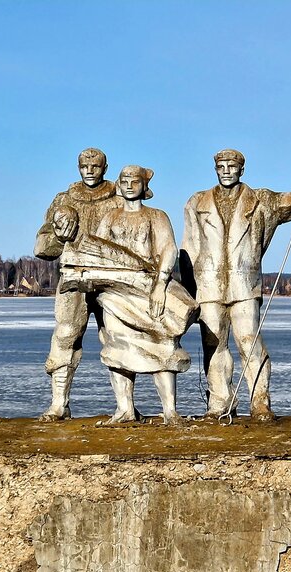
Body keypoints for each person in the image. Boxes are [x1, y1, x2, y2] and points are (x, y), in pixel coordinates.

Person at [180, 148, 291, 421]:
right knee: (213, 345)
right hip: (209, 285)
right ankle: (219, 404)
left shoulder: (262, 201)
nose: (226, 170)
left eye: (232, 166)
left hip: (244, 284)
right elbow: (188, 249)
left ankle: (259, 402)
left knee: (249, 342)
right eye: (221, 166)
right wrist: (187, 290)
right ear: (215, 169)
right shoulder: (196, 202)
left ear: (242, 169)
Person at [64, 165, 197, 424]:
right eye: (123, 181)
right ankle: (124, 409)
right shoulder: (110, 217)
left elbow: (168, 250)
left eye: (133, 181)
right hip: (114, 295)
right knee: (117, 348)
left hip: (149, 291)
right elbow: (98, 252)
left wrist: (160, 285)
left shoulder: (157, 216)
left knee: (162, 347)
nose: (127, 185)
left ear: (143, 185)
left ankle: (169, 410)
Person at [33, 147, 120, 421]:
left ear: (105, 168)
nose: (90, 171)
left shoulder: (120, 198)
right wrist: (59, 235)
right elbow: (42, 246)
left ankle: (125, 405)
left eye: (95, 166)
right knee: (66, 335)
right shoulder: (64, 200)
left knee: (118, 338)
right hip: (73, 280)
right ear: (78, 168)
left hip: (111, 281)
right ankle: (59, 403)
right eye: (85, 166)